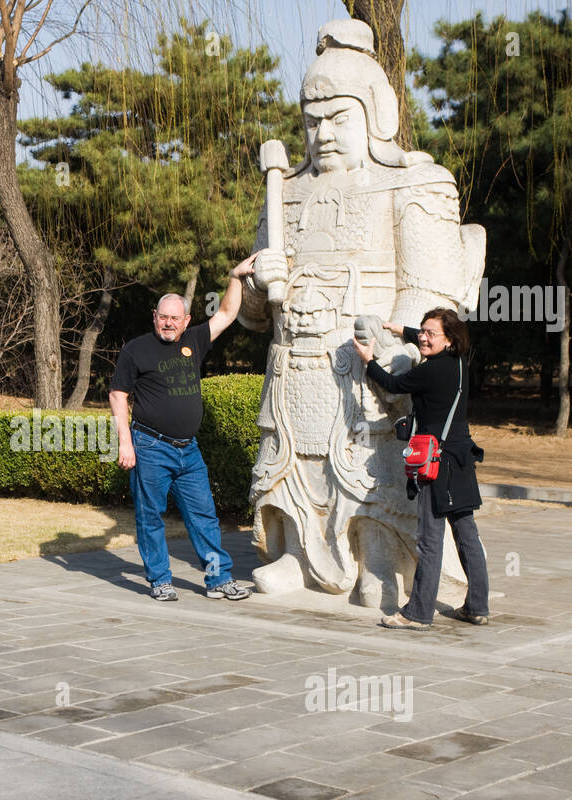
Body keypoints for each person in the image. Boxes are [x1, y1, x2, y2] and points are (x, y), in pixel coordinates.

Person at [237, 17, 485, 608]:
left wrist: (394, 366)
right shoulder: (285, 193)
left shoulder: (416, 185)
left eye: (337, 116)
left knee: (370, 461)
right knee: (297, 462)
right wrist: (258, 284)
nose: (322, 132)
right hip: (295, 359)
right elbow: (251, 314)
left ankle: (378, 558)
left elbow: (430, 294)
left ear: (375, 113)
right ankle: (298, 554)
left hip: (370, 354)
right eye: (311, 119)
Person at [108, 255, 257, 602]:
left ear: (186, 319)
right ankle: (160, 580)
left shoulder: (195, 340)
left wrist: (235, 276)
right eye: (163, 317)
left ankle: (218, 579)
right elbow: (118, 395)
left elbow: (226, 314)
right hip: (150, 446)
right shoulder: (136, 350)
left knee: (204, 515)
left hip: (188, 450)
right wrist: (125, 444)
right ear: (155, 318)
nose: (169, 323)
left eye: (175, 318)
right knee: (150, 517)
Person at [351, 308, 489, 630]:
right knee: (467, 533)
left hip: (435, 463)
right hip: (461, 457)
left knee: (430, 537)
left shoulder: (429, 372)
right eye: (422, 331)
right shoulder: (458, 363)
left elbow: (392, 384)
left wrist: (368, 360)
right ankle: (477, 606)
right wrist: (401, 329)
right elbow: (426, 336)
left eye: (431, 334)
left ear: (449, 339)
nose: (423, 338)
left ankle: (418, 613)